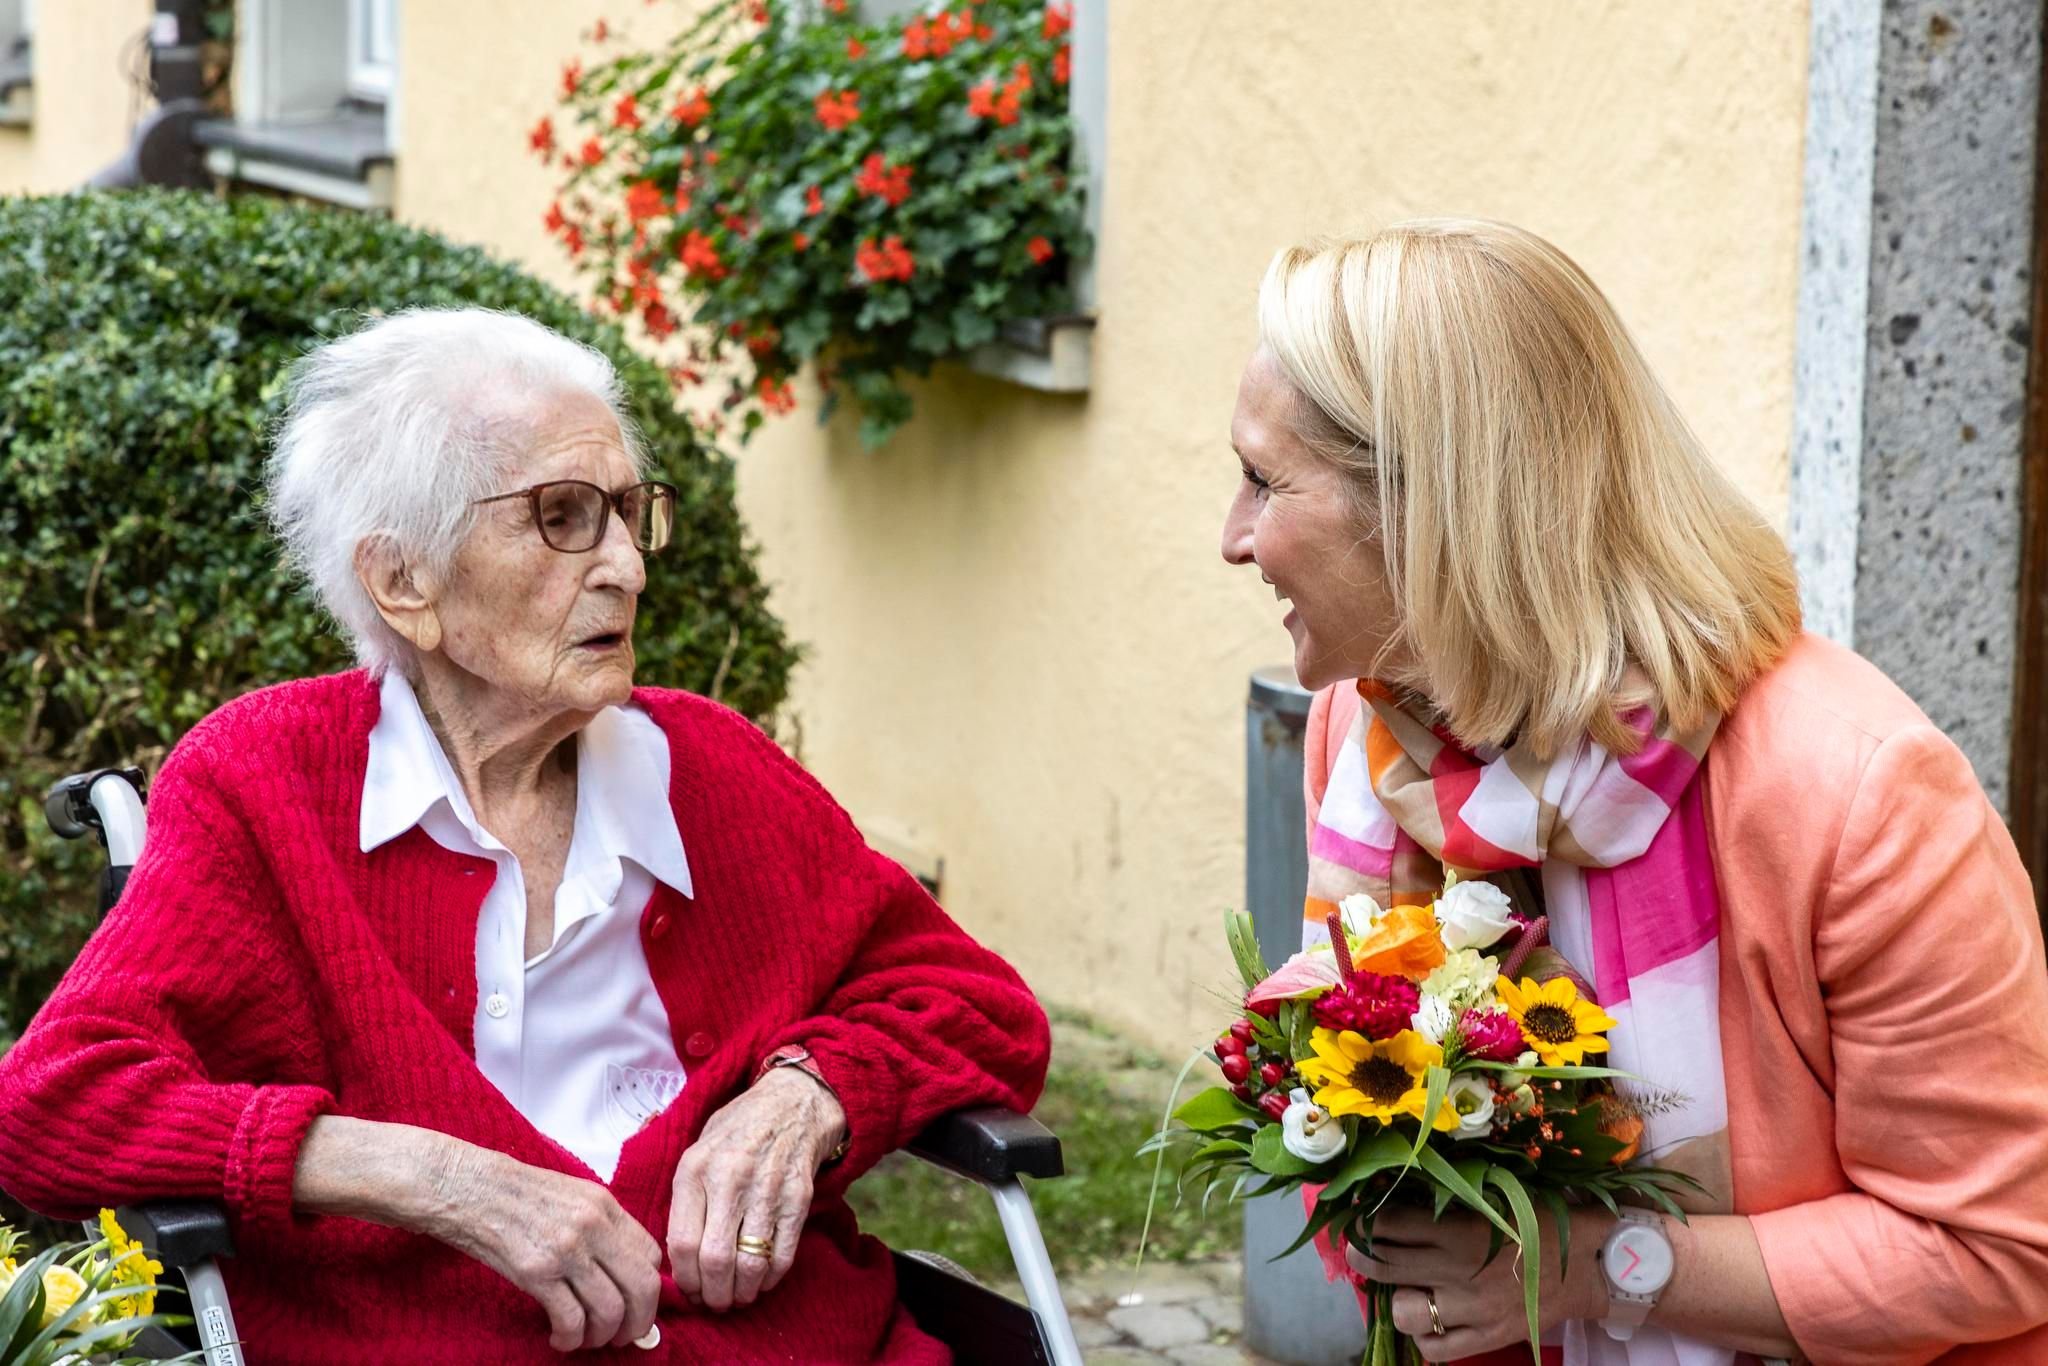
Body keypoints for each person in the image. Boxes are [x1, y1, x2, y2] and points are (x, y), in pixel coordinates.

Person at [0, 308, 1049, 1363]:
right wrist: (429, 1177)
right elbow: (53, 1101)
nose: (628, 568)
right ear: (403, 581)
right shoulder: (264, 787)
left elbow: (976, 1006)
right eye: (561, 517)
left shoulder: (712, 773)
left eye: (631, 515)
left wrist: (804, 1092)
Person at [1219, 219, 2048, 1364]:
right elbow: (1357, 1176)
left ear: (1434, 508)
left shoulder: (1858, 795)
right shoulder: (1368, 740)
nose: (1232, 538)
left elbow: (1999, 1247)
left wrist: (1595, 1266)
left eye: (1263, 482)